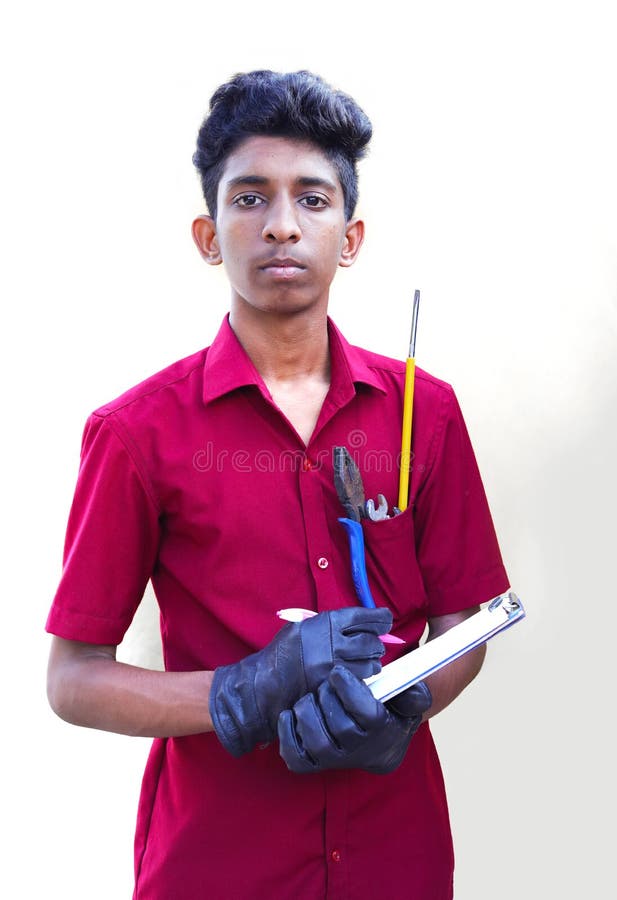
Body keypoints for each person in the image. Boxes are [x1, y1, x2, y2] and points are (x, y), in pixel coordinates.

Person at [46, 70, 509, 900]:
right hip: (214, 865)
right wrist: (240, 691)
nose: (283, 226)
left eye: (313, 199)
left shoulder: (424, 414)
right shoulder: (135, 434)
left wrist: (403, 713)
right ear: (208, 233)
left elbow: (462, 626)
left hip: (394, 858)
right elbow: (73, 679)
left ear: (351, 235)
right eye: (251, 198)